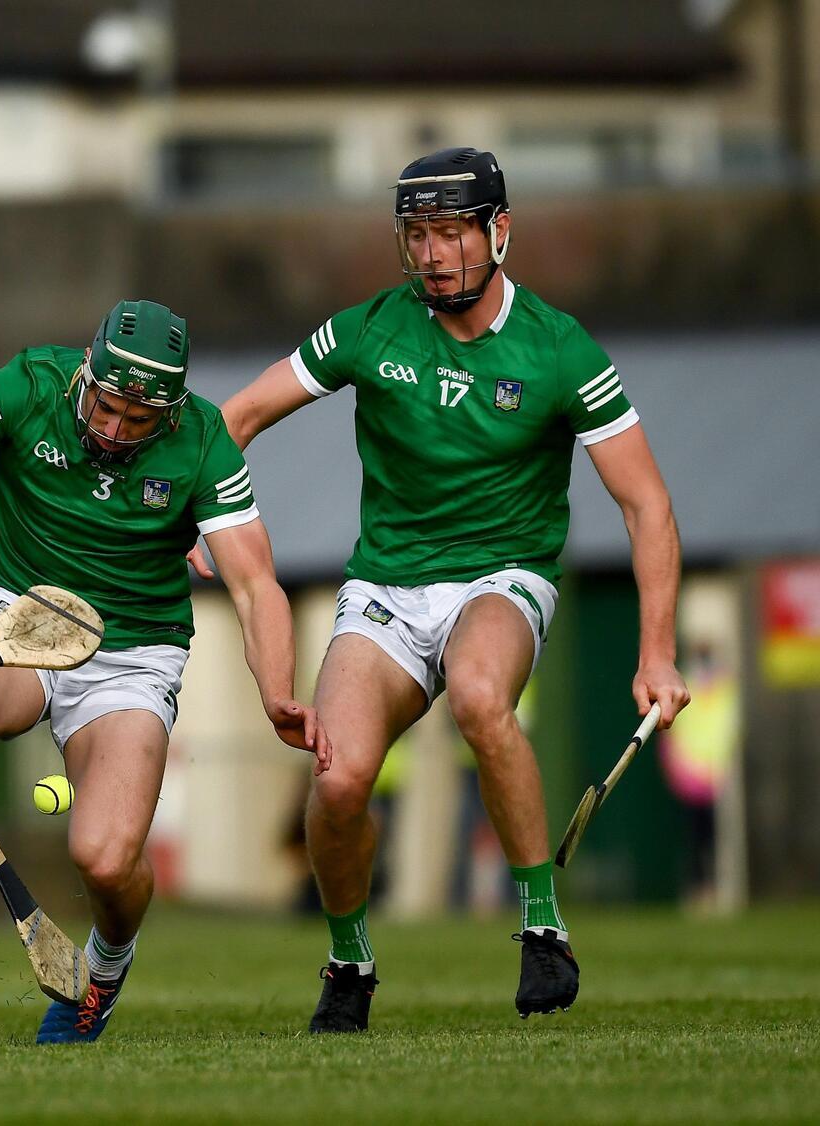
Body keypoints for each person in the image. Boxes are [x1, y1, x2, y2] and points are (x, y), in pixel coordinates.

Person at [210, 147, 690, 1032]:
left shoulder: (559, 348)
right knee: (340, 777)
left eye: (450, 232)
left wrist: (655, 649)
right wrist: (199, 522)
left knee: (478, 693)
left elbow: (646, 504)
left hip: (504, 576)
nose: (431, 254)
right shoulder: (367, 329)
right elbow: (233, 420)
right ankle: (349, 963)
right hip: (388, 586)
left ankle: (542, 927)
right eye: (417, 234)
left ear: (498, 233)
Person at [0, 300, 330, 1043]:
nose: (114, 431)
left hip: (133, 657)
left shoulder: (204, 441)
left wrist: (276, 693)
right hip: (24, 617)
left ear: (168, 415)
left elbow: (255, 585)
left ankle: (102, 976)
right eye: (106, 408)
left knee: (105, 860)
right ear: (87, 375)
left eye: (138, 421)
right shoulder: (32, 385)